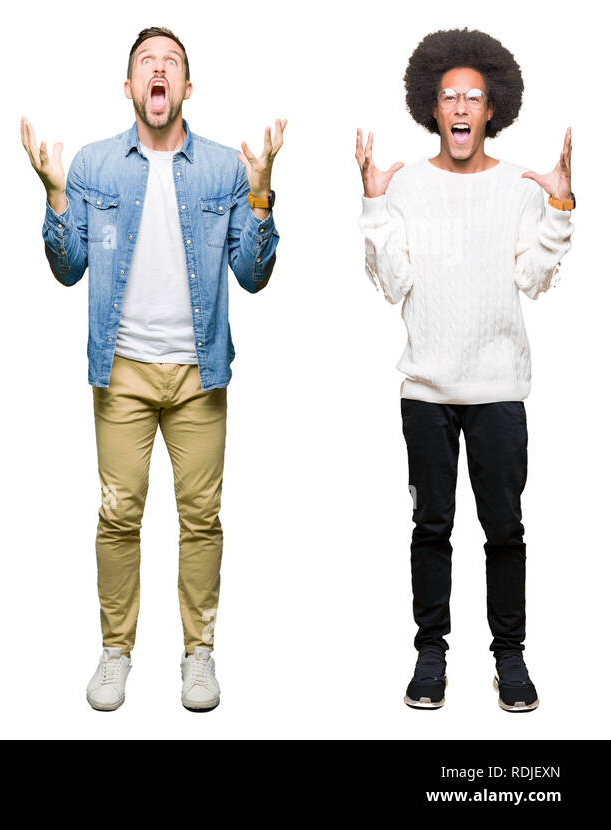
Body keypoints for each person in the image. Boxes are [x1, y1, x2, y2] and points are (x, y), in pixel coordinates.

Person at [21, 26, 284, 712]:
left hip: (201, 373)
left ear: (187, 88)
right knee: (118, 515)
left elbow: (253, 276)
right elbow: (68, 267)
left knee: (202, 518)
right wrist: (53, 195)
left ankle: (199, 655)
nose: (158, 71)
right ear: (131, 86)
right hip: (123, 372)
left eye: (171, 63)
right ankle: (116, 651)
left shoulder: (227, 167)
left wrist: (261, 196)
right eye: (146, 63)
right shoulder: (93, 165)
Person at [356, 28, 572, 713]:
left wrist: (560, 210)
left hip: (500, 388)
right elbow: (392, 285)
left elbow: (534, 279)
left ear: (490, 110)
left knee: (505, 529)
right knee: (432, 529)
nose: (459, 106)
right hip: (425, 389)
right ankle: (430, 654)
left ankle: (510, 657)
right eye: (448, 95)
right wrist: (372, 204)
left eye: (472, 97)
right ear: (431, 105)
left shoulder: (518, 188)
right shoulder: (407, 186)